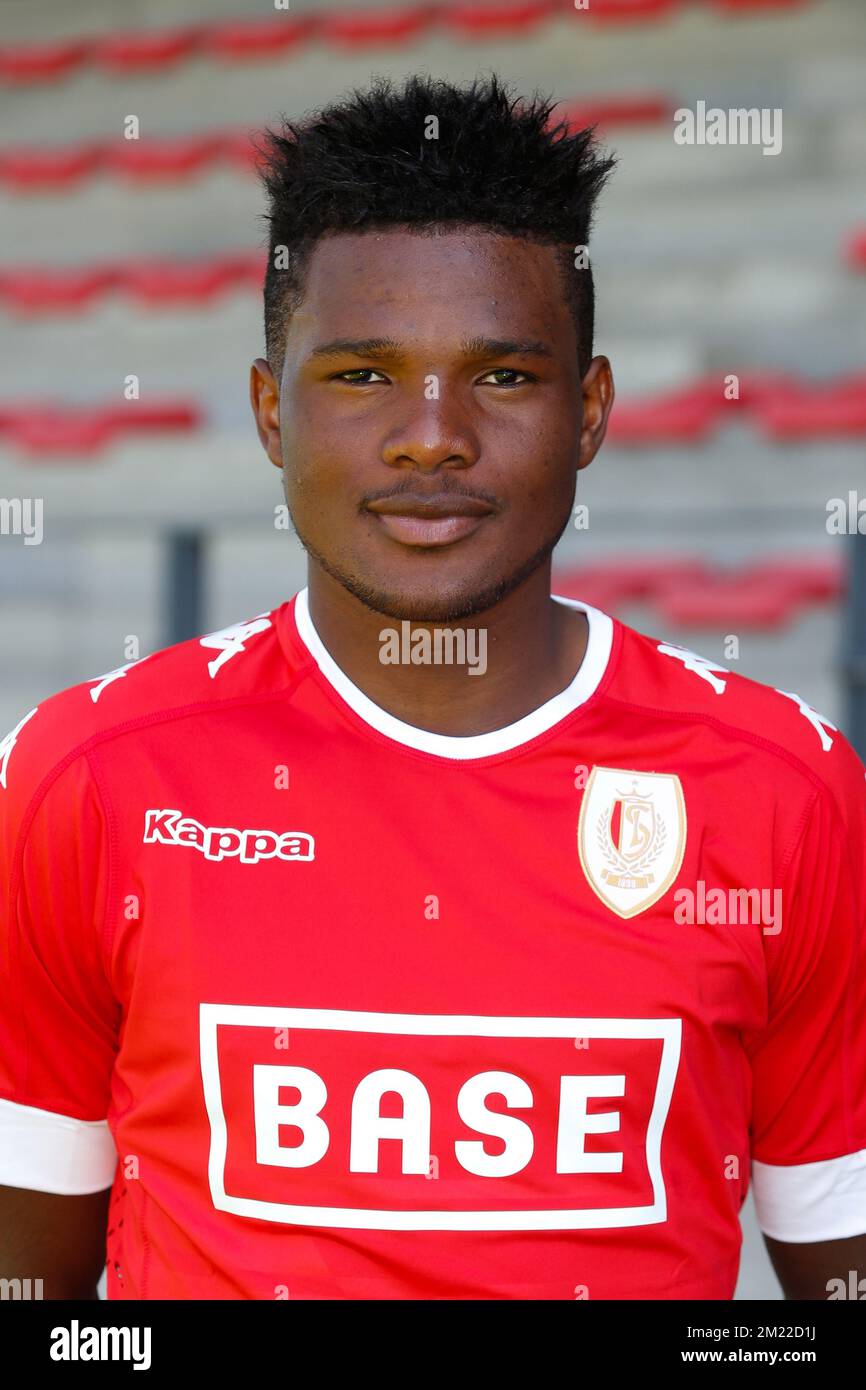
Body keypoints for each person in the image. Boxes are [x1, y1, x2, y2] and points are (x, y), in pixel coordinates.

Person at [1, 76, 864, 1301]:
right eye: (360, 375)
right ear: (268, 412)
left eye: (503, 378)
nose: (429, 436)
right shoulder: (87, 778)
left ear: (589, 412)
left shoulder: (782, 793)